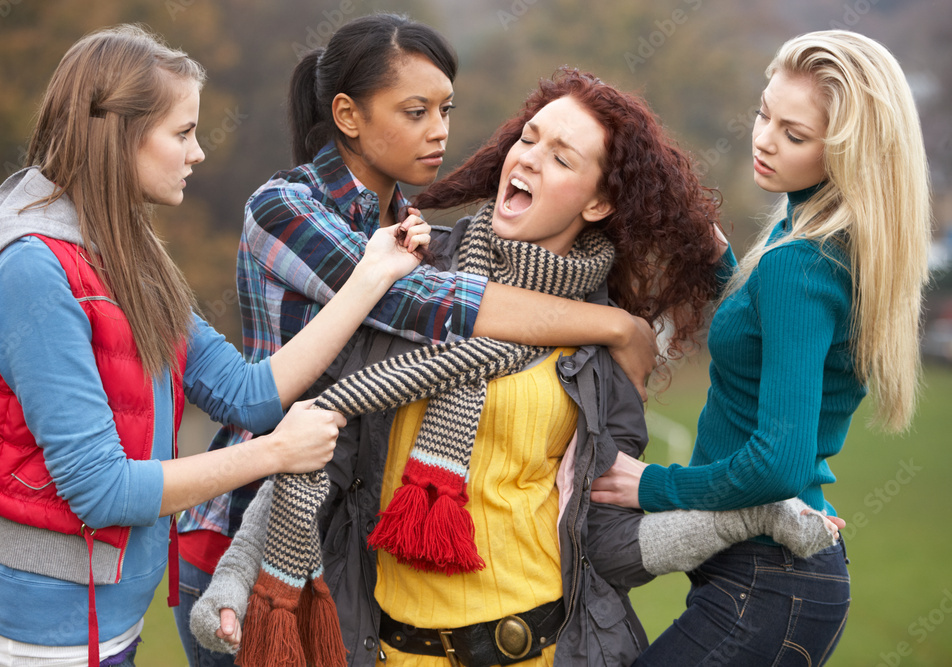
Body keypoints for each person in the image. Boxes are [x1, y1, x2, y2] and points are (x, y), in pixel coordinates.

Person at [189, 68, 839, 667]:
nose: (527, 157)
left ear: (597, 203)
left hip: (544, 649)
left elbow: (606, 540)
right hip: (394, 650)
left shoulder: (602, 343)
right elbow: (318, 444)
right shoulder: (413, 284)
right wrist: (236, 576)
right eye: (528, 138)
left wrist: (747, 516)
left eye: (561, 157)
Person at [172, 14, 660, 667]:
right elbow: (428, 305)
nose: (440, 131)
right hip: (246, 525)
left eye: (445, 110)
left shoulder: (410, 227)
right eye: (415, 111)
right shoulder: (287, 207)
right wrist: (615, 325)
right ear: (348, 116)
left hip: (338, 545)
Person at [0, 24, 431, 667]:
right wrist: (276, 453)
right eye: (182, 133)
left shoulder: (128, 253)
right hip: (43, 637)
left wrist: (372, 273)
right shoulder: (32, 271)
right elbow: (102, 489)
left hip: (108, 621)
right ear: (120, 135)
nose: (198, 153)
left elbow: (246, 393)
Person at [589, 30, 931, 665]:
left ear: (849, 154)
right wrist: (725, 265)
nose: (765, 139)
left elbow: (779, 464)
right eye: (763, 113)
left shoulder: (799, 265)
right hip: (775, 581)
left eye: (793, 134)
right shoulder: (816, 241)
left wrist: (655, 485)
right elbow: (772, 337)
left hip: (771, 588)